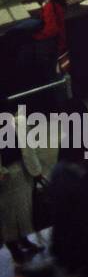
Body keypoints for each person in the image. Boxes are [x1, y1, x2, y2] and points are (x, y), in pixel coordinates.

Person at [0, 106, 43, 264]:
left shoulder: (18, 122)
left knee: (23, 208)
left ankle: (24, 240)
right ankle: (14, 248)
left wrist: (36, 171)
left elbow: (29, 148)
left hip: (23, 170)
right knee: (7, 215)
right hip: (4, 177)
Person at [19, 0, 66, 83]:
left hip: (55, 45)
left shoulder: (49, 6)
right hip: (57, 42)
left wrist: (35, 36)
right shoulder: (52, 2)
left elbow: (51, 30)